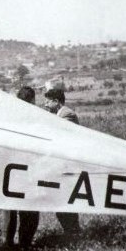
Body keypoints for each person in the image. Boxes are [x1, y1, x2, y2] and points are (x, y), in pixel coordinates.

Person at [4, 86, 40, 249]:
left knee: (10, 207)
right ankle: (25, 242)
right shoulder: (37, 118)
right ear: (32, 100)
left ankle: (9, 241)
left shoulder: (9, 117)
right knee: (30, 208)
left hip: (10, 167)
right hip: (29, 167)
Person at [44, 84, 83, 236]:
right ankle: (71, 230)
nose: (46, 105)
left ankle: (73, 231)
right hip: (63, 164)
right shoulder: (59, 114)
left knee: (65, 200)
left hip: (68, 165)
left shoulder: (67, 115)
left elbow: (59, 136)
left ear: (56, 101)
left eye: (48, 102)